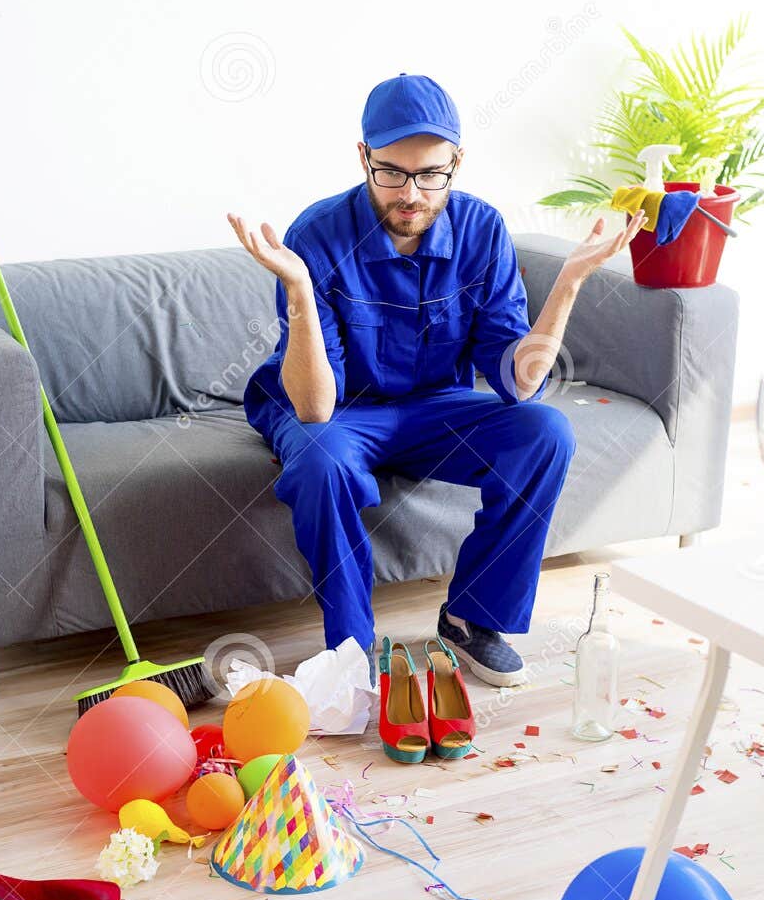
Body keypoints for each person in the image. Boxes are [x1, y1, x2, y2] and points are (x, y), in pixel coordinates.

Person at [227, 73, 649, 685]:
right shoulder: (315, 236)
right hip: (341, 413)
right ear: (364, 158)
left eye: (431, 175)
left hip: (436, 408)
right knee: (321, 460)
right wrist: (296, 287)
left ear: (456, 163)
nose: (411, 193)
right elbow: (316, 409)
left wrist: (569, 284)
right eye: (392, 172)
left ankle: (473, 619)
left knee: (544, 431)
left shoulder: (481, 230)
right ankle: (351, 652)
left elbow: (518, 383)